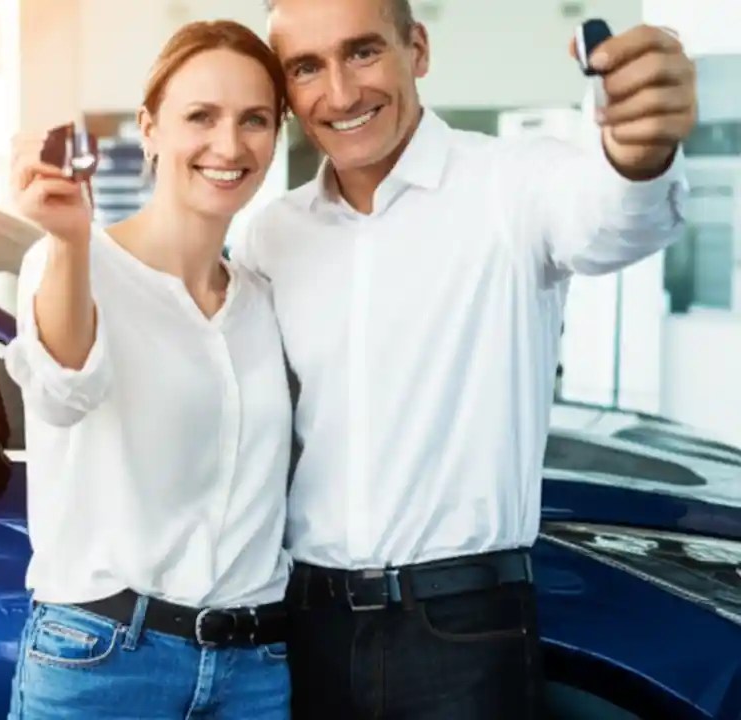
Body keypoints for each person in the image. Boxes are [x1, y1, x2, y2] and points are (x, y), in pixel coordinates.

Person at [232, 1, 698, 718]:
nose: (342, 92)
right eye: (306, 67)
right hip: (308, 623)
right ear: (287, 92)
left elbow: (614, 215)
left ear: (416, 48)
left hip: (463, 629)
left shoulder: (513, 185)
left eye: (362, 52)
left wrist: (641, 153)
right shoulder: (271, 236)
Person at [2, 19, 296, 720]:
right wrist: (71, 240)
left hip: (254, 669)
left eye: (255, 120)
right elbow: (62, 389)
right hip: (104, 664)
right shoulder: (68, 263)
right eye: (201, 116)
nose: (230, 145)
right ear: (150, 127)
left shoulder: (263, 298)